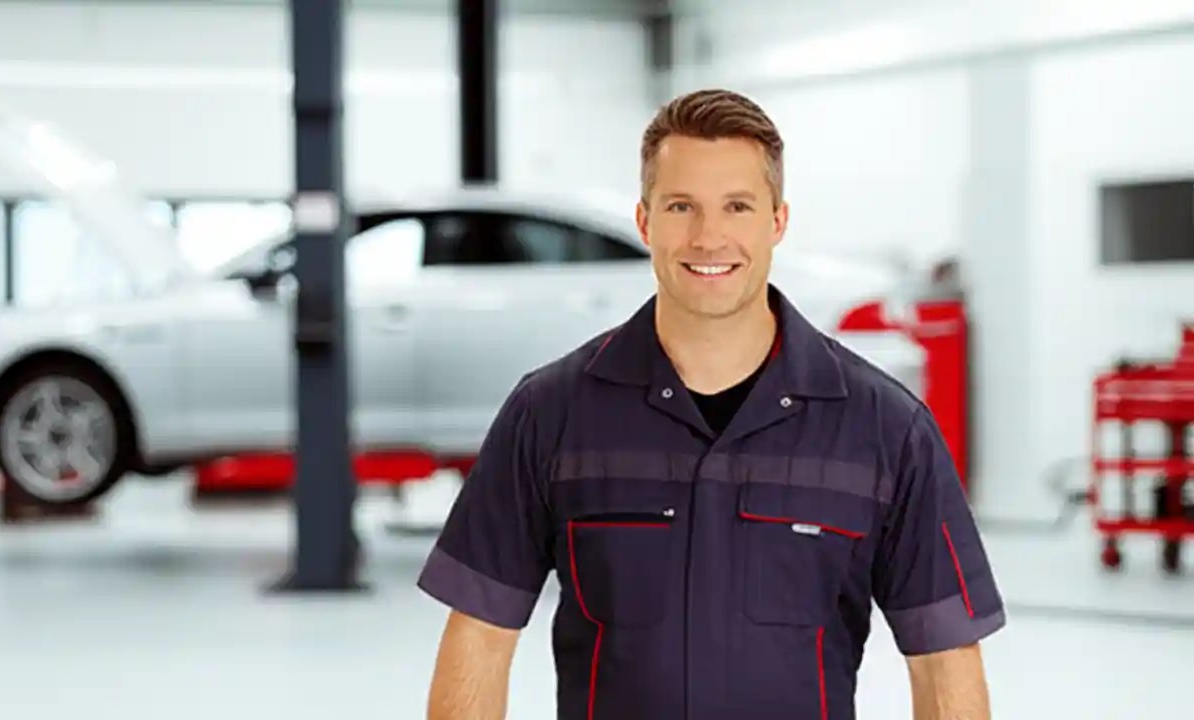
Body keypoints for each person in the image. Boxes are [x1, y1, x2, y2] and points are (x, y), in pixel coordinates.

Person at [417, 88, 1005, 720]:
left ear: (777, 221)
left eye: (737, 207)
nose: (709, 236)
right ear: (645, 221)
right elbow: (479, 640)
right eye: (681, 207)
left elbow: (944, 663)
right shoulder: (550, 415)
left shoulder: (885, 429)